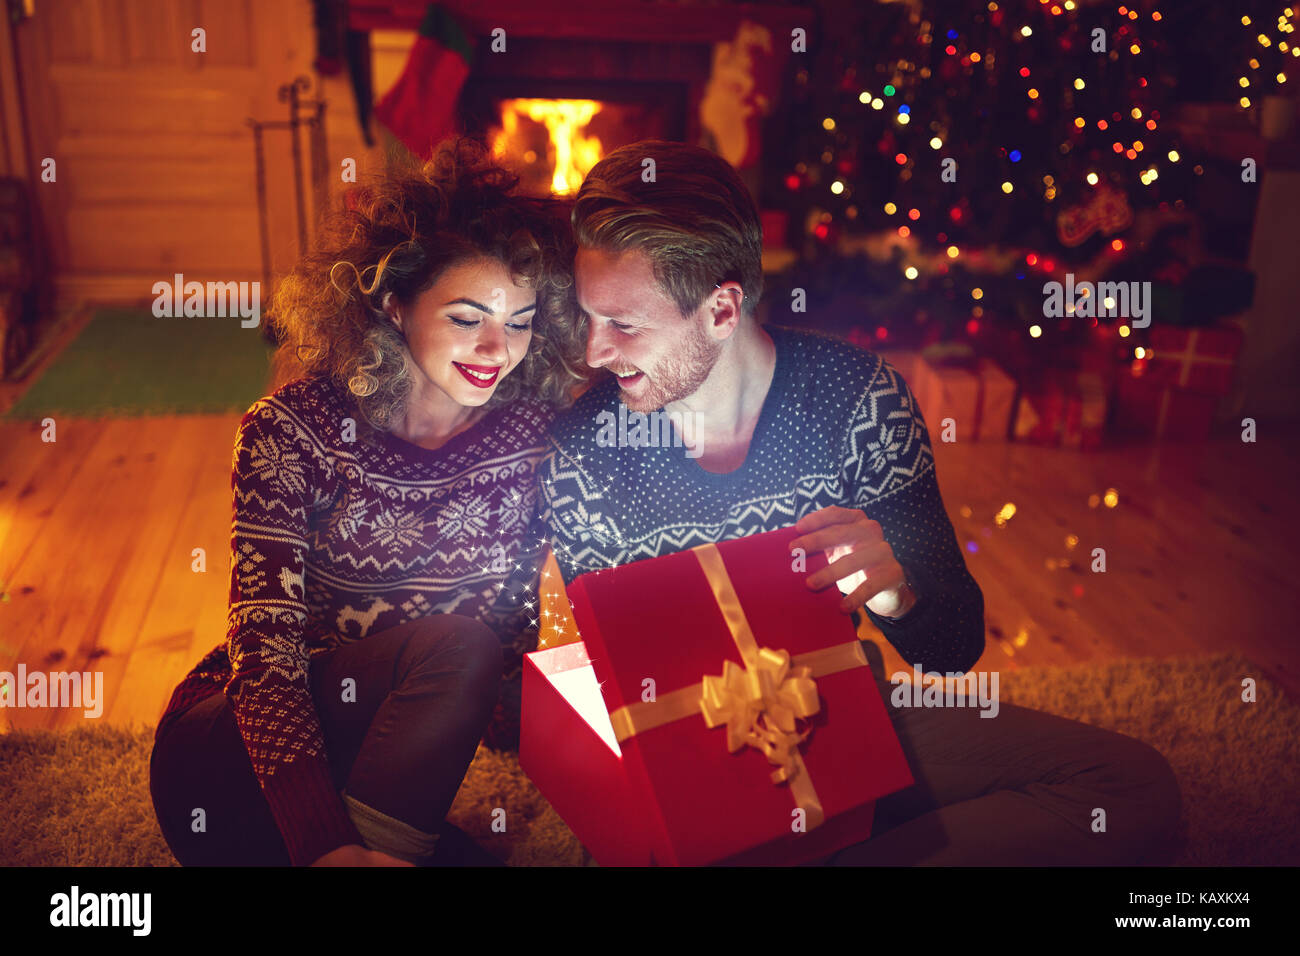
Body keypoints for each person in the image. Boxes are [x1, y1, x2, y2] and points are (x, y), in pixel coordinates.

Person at [538, 139, 1183, 866]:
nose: (594, 353)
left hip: (849, 717)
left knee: (1130, 787)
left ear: (722, 310)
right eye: (590, 317)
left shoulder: (860, 401)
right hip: (680, 768)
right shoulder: (584, 449)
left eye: (624, 324)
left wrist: (895, 597)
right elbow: (606, 707)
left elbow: (951, 652)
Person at [149, 138, 586, 867]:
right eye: (466, 316)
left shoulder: (535, 438)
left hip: (383, 782)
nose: (494, 347)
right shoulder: (289, 432)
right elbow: (266, 659)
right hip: (229, 765)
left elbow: (506, 663)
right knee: (458, 644)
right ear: (392, 305)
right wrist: (325, 846)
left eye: (518, 321)